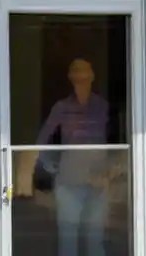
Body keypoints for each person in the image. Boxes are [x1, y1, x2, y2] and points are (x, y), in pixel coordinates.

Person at [22, 57, 115, 256]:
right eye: (76, 71)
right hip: (69, 182)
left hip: (98, 181)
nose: (80, 75)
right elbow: (42, 140)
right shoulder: (62, 107)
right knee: (68, 238)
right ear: (70, 77)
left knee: (95, 238)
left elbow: (117, 140)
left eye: (84, 71)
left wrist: (111, 170)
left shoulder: (103, 106)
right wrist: (52, 168)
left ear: (92, 76)